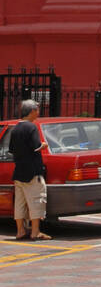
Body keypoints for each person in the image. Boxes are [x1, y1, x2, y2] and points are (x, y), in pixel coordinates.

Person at [10, 100, 50, 242]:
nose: (38, 113)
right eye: (37, 110)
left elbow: (11, 149)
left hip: (19, 171)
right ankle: (35, 232)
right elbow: (36, 147)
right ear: (32, 111)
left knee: (19, 203)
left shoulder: (15, 129)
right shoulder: (31, 128)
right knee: (37, 200)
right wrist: (44, 145)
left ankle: (20, 230)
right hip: (33, 172)